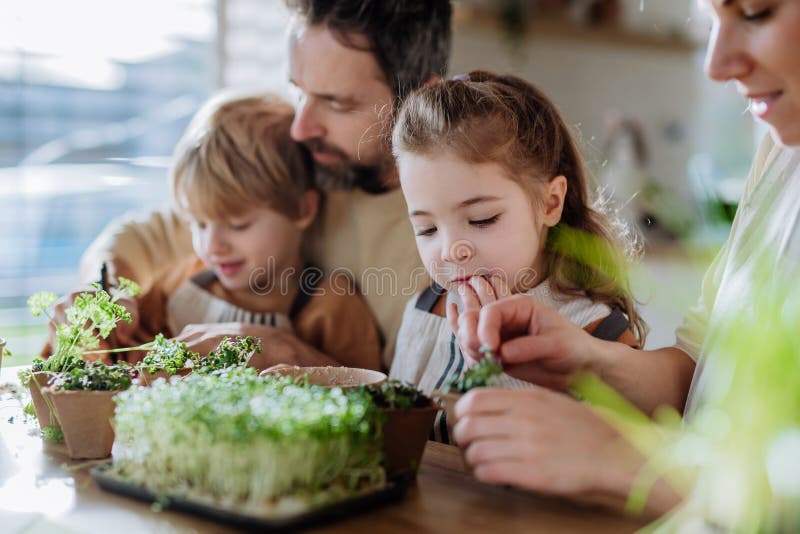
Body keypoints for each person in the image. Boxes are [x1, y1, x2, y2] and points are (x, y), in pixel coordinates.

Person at [449, 0, 800, 517]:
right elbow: (701, 377)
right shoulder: (781, 154)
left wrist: (622, 457)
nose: (715, 63)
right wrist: (587, 362)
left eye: (755, 13)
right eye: (709, 22)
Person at [57, 0, 453, 368]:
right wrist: (102, 292)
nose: (301, 127)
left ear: (420, 98)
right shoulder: (308, 164)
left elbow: (418, 419)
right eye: (298, 91)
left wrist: (287, 353)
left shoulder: (451, 240)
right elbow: (136, 240)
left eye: (337, 103)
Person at [388, 71, 645, 442]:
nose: (449, 250)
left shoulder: (599, 336)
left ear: (550, 203)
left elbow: (602, 474)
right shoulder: (426, 309)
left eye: (482, 219)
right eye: (427, 229)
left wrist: (505, 366)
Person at [150, 92, 379, 371]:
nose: (212, 246)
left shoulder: (332, 307)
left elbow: (371, 395)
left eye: (238, 225)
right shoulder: (179, 287)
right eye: (199, 224)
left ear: (302, 209)